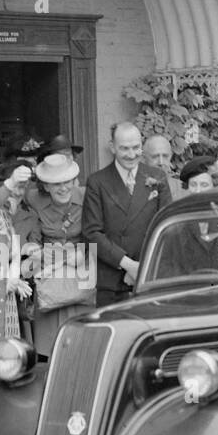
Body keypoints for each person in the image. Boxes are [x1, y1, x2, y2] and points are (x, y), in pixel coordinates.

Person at [82, 121, 170, 306]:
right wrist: (128, 265)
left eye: (136, 148)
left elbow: (166, 226)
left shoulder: (157, 177)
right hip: (112, 280)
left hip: (149, 276)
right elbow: (92, 233)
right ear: (112, 147)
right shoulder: (97, 182)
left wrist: (143, 267)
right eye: (124, 148)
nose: (131, 155)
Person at [16, 153, 89, 357]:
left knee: (82, 343)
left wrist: (84, 252)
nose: (63, 188)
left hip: (81, 270)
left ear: (74, 181)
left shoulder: (88, 196)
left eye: (67, 182)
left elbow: (98, 232)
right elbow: (25, 227)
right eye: (56, 183)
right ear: (46, 186)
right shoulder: (32, 199)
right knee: (50, 347)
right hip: (49, 274)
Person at [143, 134, 178, 201]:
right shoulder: (132, 188)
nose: (161, 162)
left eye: (165, 156)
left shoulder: (183, 190)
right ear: (144, 157)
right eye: (155, 156)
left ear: (171, 156)